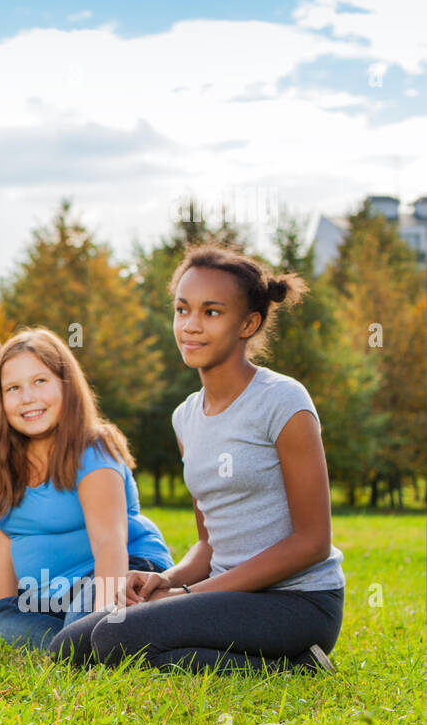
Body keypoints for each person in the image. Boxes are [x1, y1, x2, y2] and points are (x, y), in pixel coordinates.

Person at [52, 245, 345, 672]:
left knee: (116, 637)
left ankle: (296, 665)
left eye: (211, 313)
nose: (190, 326)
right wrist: (166, 580)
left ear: (249, 323)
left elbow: (312, 543)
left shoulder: (284, 401)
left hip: (298, 603)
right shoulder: (185, 417)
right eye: (182, 309)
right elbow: (209, 543)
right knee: (71, 646)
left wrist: (190, 596)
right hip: (226, 596)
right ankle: (261, 660)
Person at [0, 328, 174, 650]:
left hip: (115, 575)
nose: (28, 397)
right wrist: (6, 615)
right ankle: (73, 643)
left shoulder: (93, 447)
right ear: (0, 399)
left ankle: (88, 637)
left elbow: (108, 543)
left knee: (86, 614)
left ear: (66, 385)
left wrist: (104, 618)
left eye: (40, 381)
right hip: (46, 596)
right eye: (13, 388)